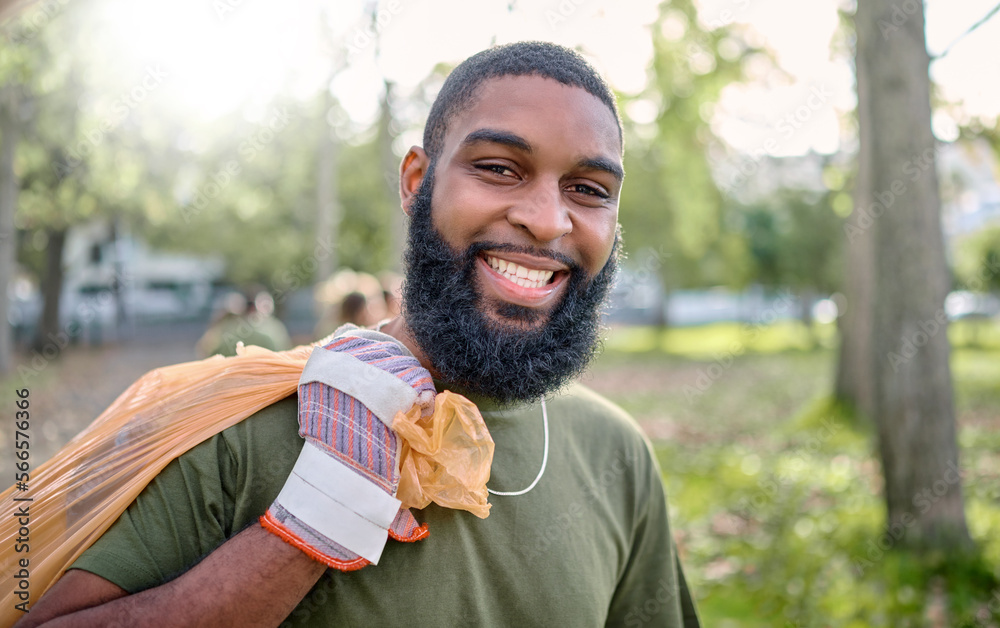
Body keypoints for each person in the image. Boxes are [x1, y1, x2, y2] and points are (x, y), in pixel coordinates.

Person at [17, 41, 700, 627]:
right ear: (416, 181)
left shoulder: (617, 454)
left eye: (588, 189)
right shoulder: (243, 432)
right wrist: (309, 525)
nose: (549, 219)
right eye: (499, 168)